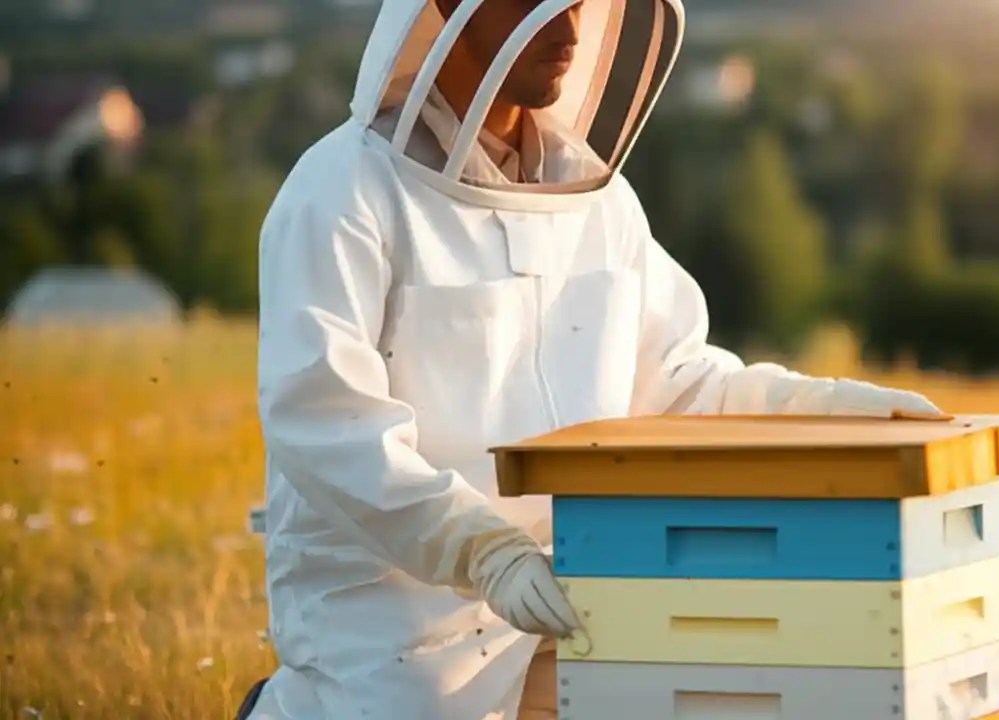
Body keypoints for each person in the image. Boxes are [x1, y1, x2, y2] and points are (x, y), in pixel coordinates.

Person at [247, 0, 949, 718]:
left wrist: (823, 413)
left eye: (581, 3)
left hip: (577, 595)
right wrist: (482, 549)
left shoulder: (599, 203)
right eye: (538, 3)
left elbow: (677, 386)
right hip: (392, 626)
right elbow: (326, 423)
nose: (570, 30)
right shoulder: (341, 194)